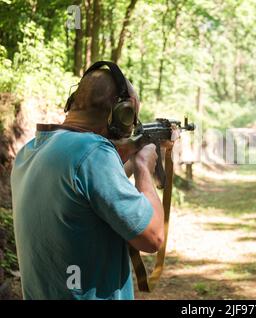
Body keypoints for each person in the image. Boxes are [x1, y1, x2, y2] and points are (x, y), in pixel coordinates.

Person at [11, 62, 170, 299]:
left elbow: (89, 193)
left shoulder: (30, 152)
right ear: (121, 114)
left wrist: (130, 154)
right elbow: (152, 237)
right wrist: (143, 168)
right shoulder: (93, 153)